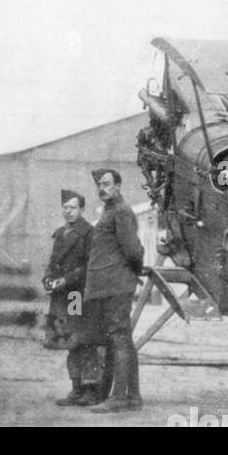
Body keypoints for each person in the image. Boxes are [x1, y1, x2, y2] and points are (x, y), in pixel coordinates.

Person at [84, 169, 146, 413]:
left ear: (118, 186)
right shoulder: (110, 211)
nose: (102, 188)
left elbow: (132, 250)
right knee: (124, 340)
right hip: (110, 285)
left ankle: (119, 397)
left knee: (118, 339)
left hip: (115, 286)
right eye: (100, 184)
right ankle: (133, 397)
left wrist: (131, 272)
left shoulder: (121, 211)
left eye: (107, 184)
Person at [44, 191, 97, 406]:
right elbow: (52, 262)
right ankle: (76, 389)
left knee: (82, 340)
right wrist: (47, 279)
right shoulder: (60, 234)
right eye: (65, 207)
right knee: (68, 340)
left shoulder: (88, 234)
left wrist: (66, 280)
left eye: (73, 207)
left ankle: (90, 390)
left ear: (82, 210)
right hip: (60, 295)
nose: (68, 211)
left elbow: (88, 267)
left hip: (75, 294)